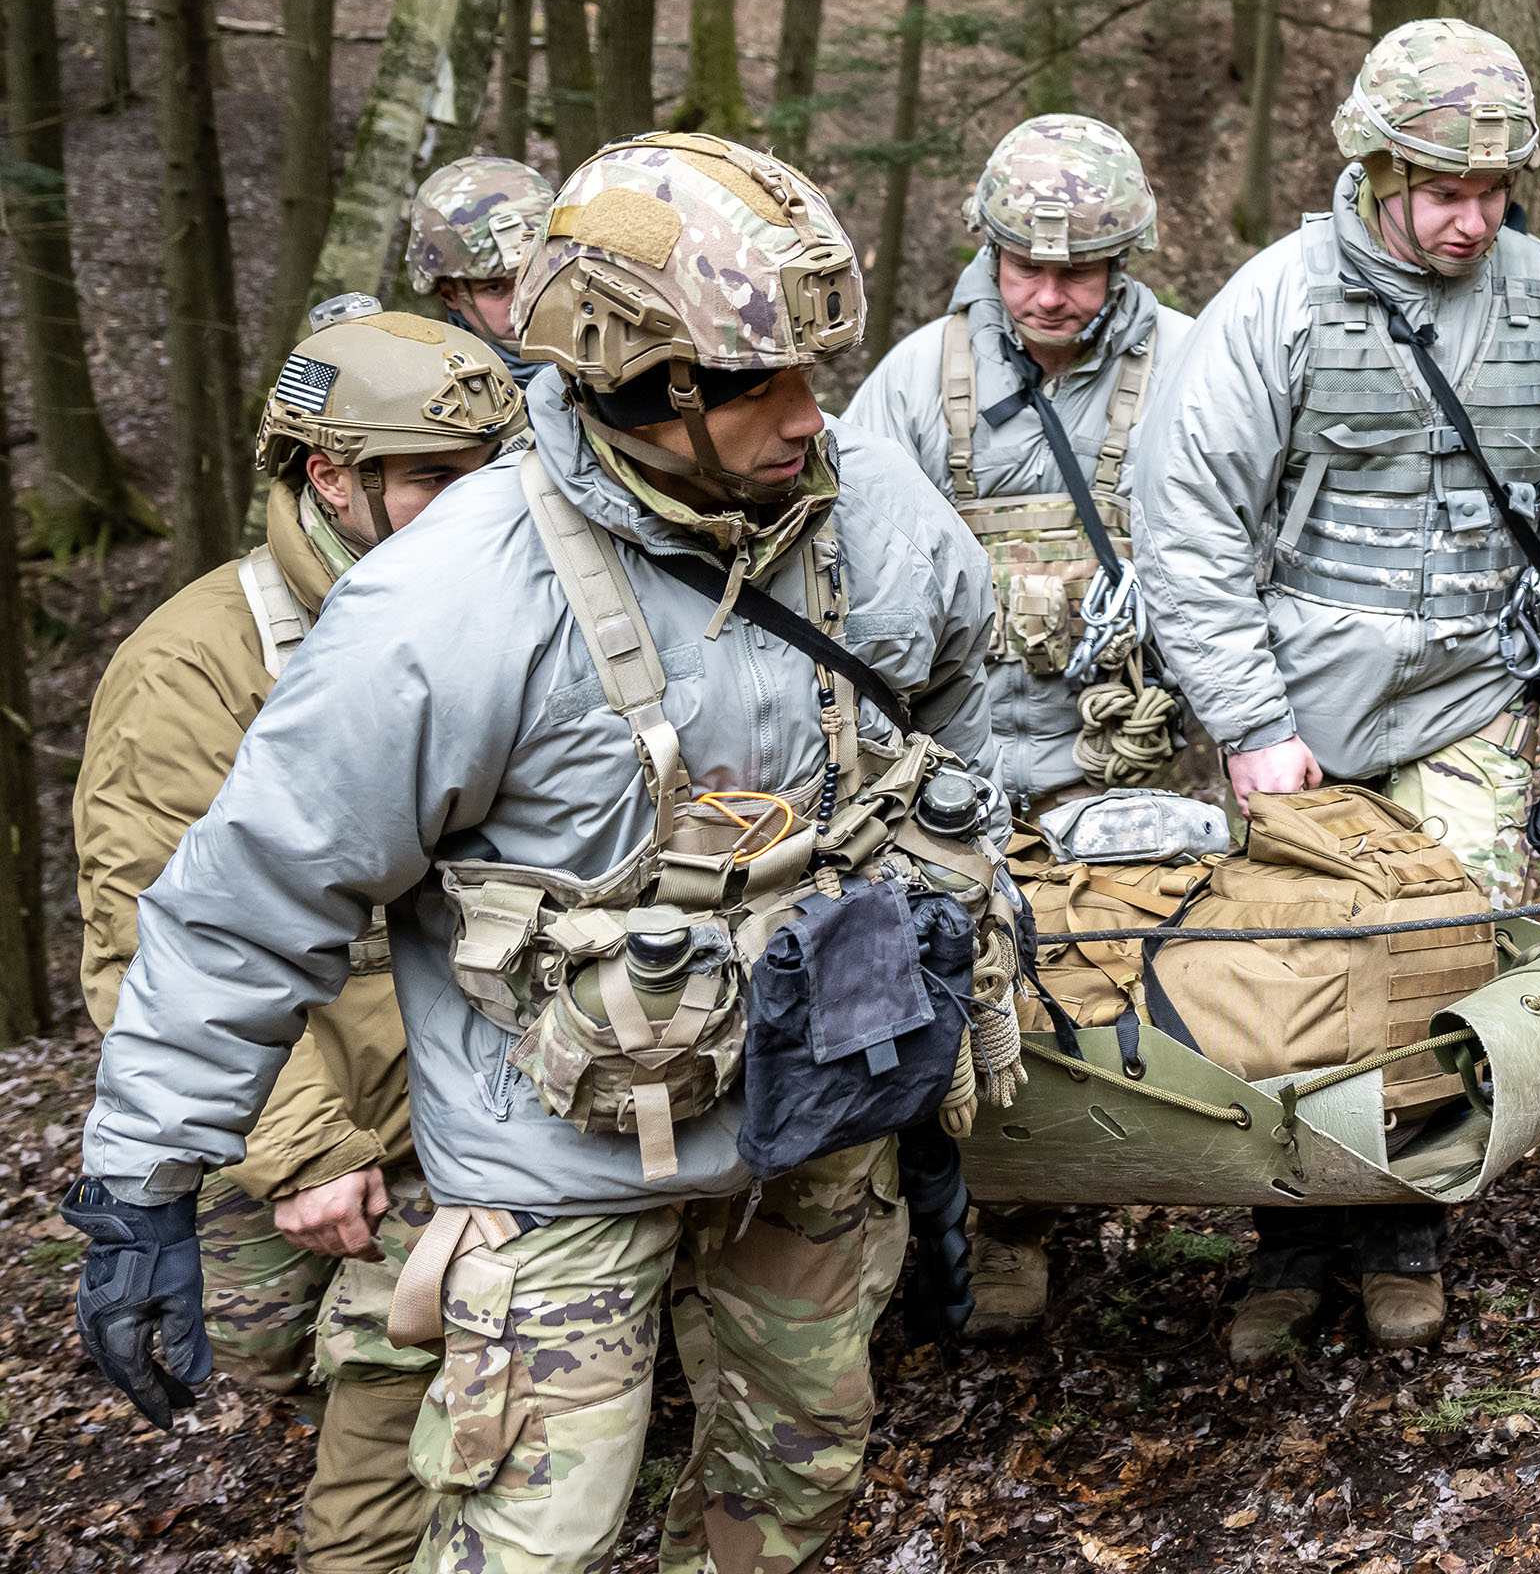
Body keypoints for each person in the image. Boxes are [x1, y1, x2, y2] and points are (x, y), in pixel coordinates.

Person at [68, 131, 1001, 1574]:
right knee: (528, 1538)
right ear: (645, 382)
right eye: (766, 383)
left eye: (822, 371)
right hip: (556, 1167)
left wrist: (927, 1028)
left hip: (818, 1126)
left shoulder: (875, 511)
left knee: (795, 1485)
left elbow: (954, 713)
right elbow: (250, 902)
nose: (815, 417)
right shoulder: (446, 604)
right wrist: (142, 1180)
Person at [1131, 18, 1540, 1366]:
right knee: (1292, 971)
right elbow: (1189, 527)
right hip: (1304, 716)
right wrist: (1252, 726)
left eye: (1493, 194)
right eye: (1443, 193)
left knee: (1448, 956)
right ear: (1378, 172)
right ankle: (1292, 1228)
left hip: (1474, 691)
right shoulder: (1275, 306)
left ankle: (1401, 1221)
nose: (1470, 222)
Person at [73, 310, 522, 1574]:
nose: (474, 505)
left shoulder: (507, 606)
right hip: (327, 1101)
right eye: (434, 478)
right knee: (372, 1377)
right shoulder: (195, 667)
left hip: (482, 1079)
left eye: (493, 472)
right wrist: (306, 1149)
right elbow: (152, 940)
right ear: (329, 477)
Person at [842, 113, 1191, 1341]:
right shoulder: (913, 381)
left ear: (1127, 259)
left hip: (1143, 753)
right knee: (988, 987)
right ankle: (1012, 1219)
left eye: (1080, 270)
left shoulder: (1195, 371)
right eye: (1025, 265)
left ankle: (1234, 1199)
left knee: (1165, 975)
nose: (1049, 293)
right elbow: (858, 575)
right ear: (986, 250)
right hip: (964, 761)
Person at [405, 155, 556, 380]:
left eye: (533, 277)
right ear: (450, 294)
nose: (523, 302)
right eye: (495, 288)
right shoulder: (423, 382)